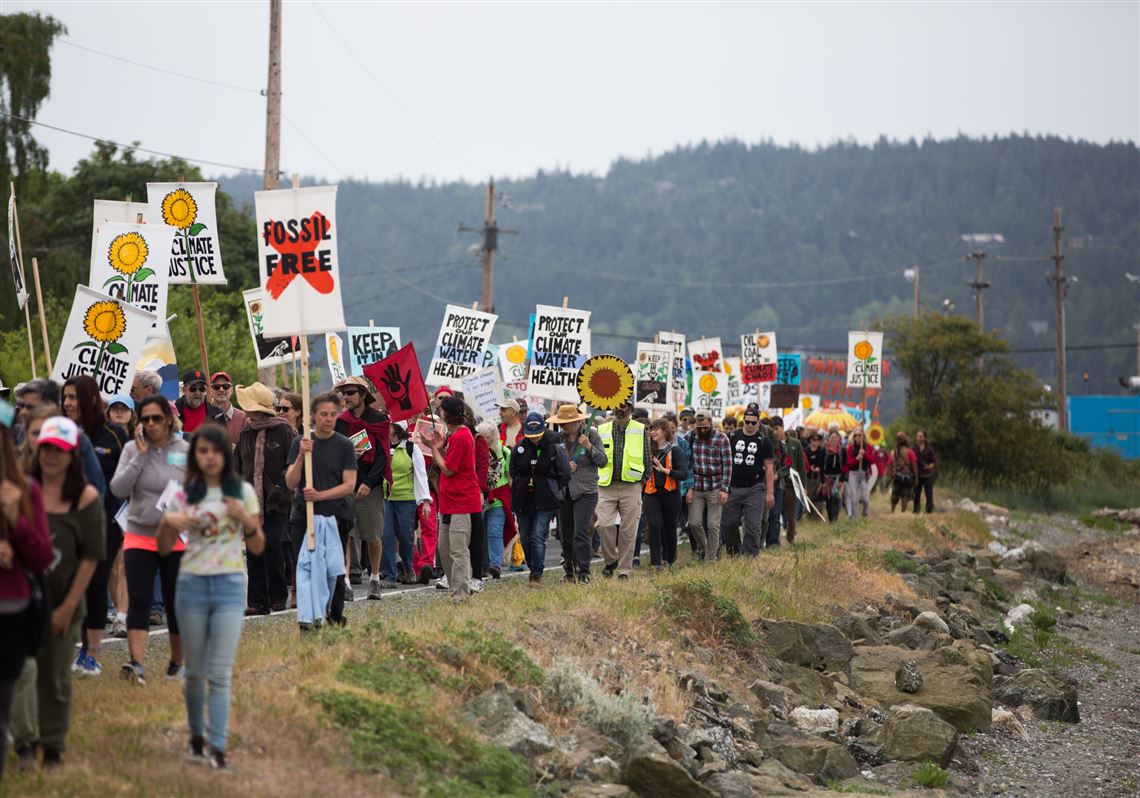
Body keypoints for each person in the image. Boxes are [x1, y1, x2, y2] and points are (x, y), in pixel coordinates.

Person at [158, 424, 264, 771]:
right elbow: (162, 548)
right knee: (195, 673)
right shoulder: (182, 494)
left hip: (230, 586)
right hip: (191, 586)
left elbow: (258, 545)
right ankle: (195, 737)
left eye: (215, 451)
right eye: (202, 451)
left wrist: (246, 520)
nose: (209, 457)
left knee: (219, 672)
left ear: (225, 454)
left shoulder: (243, 492)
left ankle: (218, 747)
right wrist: (169, 523)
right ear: (195, 455)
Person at [11, 417, 103, 770]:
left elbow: (92, 555)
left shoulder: (86, 497)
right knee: (22, 671)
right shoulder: (23, 491)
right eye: (46, 448)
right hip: (24, 597)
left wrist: (67, 607)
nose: (51, 456)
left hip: (66, 598)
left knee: (55, 678)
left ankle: (52, 747)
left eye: (59, 450)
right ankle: (25, 744)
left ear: (72, 456)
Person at [109, 396, 189, 684]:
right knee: (140, 598)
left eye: (157, 418)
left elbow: (196, 490)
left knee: (175, 600)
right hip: (139, 533)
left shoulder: (184, 450)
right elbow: (118, 489)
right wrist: (141, 458)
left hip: (174, 537)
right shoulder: (132, 449)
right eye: (146, 419)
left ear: (169, 419)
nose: (152, 424)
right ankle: (137, 664)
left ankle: (177, 663)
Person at [63, 376, 128, 676]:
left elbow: (126, 480)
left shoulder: (113, 435)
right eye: (65, 397)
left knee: (95, 585)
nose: (68, 403)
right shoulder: (60, 432)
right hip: (66, 524)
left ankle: (91, 654)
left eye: (74, 397)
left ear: (90, 399)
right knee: (67, 586)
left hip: (105, 523)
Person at [0, 418, 53, 782]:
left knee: (14, 686)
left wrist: (15, 520)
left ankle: (25, 744)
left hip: (12, 606)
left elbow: (41, 557)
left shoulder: (25, 491)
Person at [285, 392, 356, 630]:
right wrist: (301, 457)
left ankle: (335, 615)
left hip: (335, 515)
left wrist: (320, 495)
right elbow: (290, 482)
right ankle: (308, 617)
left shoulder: (344, 445)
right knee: (304, 566)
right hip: (302, 516)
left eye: (333, 415)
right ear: (313, 416)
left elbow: (349, 485)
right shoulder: (300, 441)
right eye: (323, 414)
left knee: (333, 568)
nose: (328, 419)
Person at [233, 383, 297, 615]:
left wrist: (280, 488)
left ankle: (278, 596)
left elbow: (292, 462)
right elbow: (237, 466)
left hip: (277, 502)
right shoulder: (246, 433)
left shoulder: (283, 430)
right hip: (251, 503)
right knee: (253, 550)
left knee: (271, 546)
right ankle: (257, 602)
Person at [333, 376, 390, 600]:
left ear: (363, 395)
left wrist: (369, 482)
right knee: (345, 534)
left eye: (350, 393)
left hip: (370, 484)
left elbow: (384, 456)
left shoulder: (379, 420)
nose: (346, 397)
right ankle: (345, 581)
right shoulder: (341, 421)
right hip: (346, 483)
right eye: (343, 393)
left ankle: (375, 578)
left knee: (373, 535)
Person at [425, 396, 483, 599]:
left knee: (458, 550)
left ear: (445, 414)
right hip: (449, 502)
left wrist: (433, 448)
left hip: (462, 502)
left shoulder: (461, 436)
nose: (438, 412)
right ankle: (455, 588)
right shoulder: (456, 435)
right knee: (444, 547)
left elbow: (448, 469)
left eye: (440, 410)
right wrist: (440, 446)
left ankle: (460, 594)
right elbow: (449, 460)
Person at [508, 412, 570, 587]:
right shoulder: (519, 447)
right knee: (526, 538)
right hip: (523, 500)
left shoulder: (554, 447)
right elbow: (512, 471)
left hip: (545, 500)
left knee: (537, 536)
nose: (534, 439)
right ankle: (532, 564)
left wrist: (552, 487)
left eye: (537, 435)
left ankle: (536, 574)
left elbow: (565, 473)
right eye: (530, 435)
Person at [550, 404, 605, 583]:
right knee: (566, 535)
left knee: (581, 532)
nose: (564, 426)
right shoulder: (558, 439)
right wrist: (563, 466)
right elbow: (551, 465)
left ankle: (584, 572)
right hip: (564, 491)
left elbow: (603, 461)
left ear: (577, 421)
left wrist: (589, 447)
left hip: (585, 491)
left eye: (567, 423)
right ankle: (569, 571)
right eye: (562, 423)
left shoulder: (591, 435)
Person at [595, 399, 648, 580]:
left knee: (628, 530)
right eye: (617, 405)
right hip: (606, 485)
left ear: (630, 409)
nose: (619, 408)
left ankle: (624, 569)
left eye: (623, 406)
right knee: (604, 525)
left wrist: (641, 483)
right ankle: (611, 561)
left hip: (631, 486)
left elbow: (646, 459)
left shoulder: (640, 430)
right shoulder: (602, 430)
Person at [383, 422, 431, 585]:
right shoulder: (382, 446)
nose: (385, 428)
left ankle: (408, 569)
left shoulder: (412, 448)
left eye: (389, 425)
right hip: (385, 498)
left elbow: (421, 474)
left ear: (397, 429)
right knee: (386, 536)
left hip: (406, 499)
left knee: (405, 536)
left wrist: (425, 500)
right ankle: (389, 575)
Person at [724, 403, 775, 556]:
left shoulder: (764, 441)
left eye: (754, 422)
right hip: (733, 486)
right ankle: (734, 553)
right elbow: (724, 461)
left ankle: (750, 556)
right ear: (743, 421)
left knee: (753, 526)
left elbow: (769, 468)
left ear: (758, 422)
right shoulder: (732, 437)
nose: (750, 425)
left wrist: (770, 493)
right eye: (748, 422)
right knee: (729, 523)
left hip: (755, 487)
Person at [685, 411, 731, 561]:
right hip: (696, 486)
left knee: (713, 525)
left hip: (715, 486)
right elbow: (683, 459)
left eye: (705, 427)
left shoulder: (721, 438)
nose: (703, 430)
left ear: (710, 423)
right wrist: (688, 488)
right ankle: (706, 549)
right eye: (700, 427)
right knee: (694, 523)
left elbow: (727, 465)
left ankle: (710, 560)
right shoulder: (689, 437)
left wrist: (724, 489)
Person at [643, 419, 689, 570]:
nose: (653, 432)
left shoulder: (674, 450)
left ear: (665, 432)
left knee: (669, 528)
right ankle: (656, 563)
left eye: (656, 429)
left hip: (671, 494)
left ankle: (670, 560)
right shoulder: (647, 450)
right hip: (651, 493)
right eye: (651, 429)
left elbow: (683, 473)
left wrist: (665, 471)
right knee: (654, 525)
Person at [778, 417, 806, 544]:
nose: (776, 431)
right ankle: (773, 539)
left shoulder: (795, 443)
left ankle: (790, 538)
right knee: (775, 514)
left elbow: (801, 465)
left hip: (791, 484)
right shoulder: (773, 442)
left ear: (783, 427)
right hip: (777, 483)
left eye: (777, 428)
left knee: (790, 514)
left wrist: (803, 486)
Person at [175, 369, 225, 435]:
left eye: (202, 389)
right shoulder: (173, 412)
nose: (197, 393)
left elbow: (223, 441)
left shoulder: (217, 414)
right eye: (193, 389)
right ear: (184, 390)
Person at [209, 372, 247, 443]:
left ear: (232, 390)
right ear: (210, 391)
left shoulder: (243, 418)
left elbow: (248, 449)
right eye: (216, 387)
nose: (221, 389)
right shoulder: (203, 416)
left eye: (225, 386)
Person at [845, 428, 873, 518]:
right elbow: (848, 463)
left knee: (865, 498)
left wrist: (864, 454)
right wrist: (857, 459)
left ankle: (865, 513)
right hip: (853, 474)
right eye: (855, 435)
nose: (857, 437)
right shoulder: (850, 448)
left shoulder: (868, 447)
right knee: (854, 498)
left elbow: (872, 461)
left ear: (863, 437)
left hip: (864, 474)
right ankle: (854, 517)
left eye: (859, 435)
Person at [888, 432, 919, 513]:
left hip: (896, 476)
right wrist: (916, 478)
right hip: (907, 477)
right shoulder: (910, 452)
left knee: (895, 494)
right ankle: (903, 512)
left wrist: (891, 474)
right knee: (905, 495)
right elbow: (914, 466)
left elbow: (889, 464)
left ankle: (892, 511)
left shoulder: (893, 452)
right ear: (905, 441)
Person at [822, 431, 845, 522]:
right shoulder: (824, 450)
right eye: (832, 437)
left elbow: (844, 466)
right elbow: (821, 465)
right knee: (828, 499)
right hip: (827, 477)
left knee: (836, 497)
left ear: (838, 439)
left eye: (835, 438)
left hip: (837, 477)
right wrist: (822, 481)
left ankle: (835, 518)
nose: (833, 439)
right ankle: (830, 517)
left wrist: (842, 480)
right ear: (828, 439)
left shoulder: (842, 450)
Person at [913, 430, 936, 514]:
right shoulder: (914, 448)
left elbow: (933, 461)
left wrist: (929, 467)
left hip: (927, 475)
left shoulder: (929, 449)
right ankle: (916, 510)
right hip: (917, 474)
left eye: (921, 436)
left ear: (925, 438)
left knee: (929, 494)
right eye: (918, 436)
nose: (919, 438)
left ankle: (929, 510)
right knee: (916, 493)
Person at [803, 431, 825, 512]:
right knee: (809, 496)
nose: (816, 441)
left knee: (818, 496)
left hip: (818, 477)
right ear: (810, 440)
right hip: (808, 477)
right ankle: (808, 513)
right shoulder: (806, 451)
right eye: (814, 439)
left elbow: (823, 465)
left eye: (818, 439)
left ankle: (817, 514)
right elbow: (804, 464)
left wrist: (819, 469)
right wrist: (809, 468)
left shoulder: (822, 451)